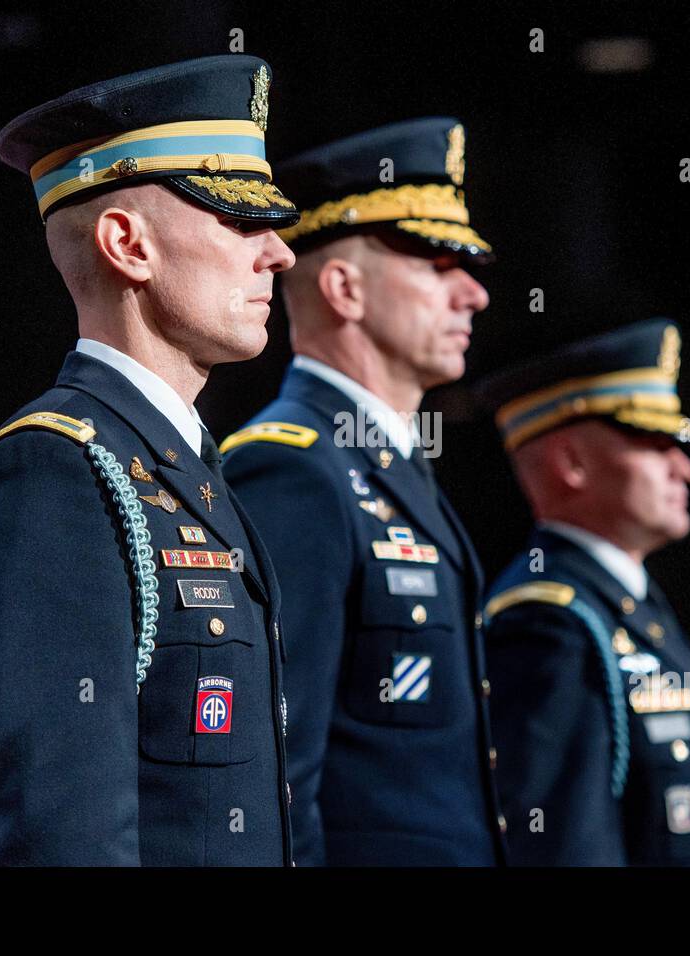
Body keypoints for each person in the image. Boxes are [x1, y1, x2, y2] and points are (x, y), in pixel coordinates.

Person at [0, 55, 300, 865]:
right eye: (241, 220)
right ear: (128, 244)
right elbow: (47, 838)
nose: (279, 254)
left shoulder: (178, 465)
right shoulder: (53, 475)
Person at [220, 118, 506, 865]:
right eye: (439, 263)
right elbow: (275, 776)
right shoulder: (294, 469)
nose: (473, 293)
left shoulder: (389, 463)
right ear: (343, 287)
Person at [478, 319, 690, 866]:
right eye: (655, 443)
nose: (683, 467)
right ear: (572, 462)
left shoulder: (634, 607)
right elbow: (563, 846)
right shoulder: (548, 622)